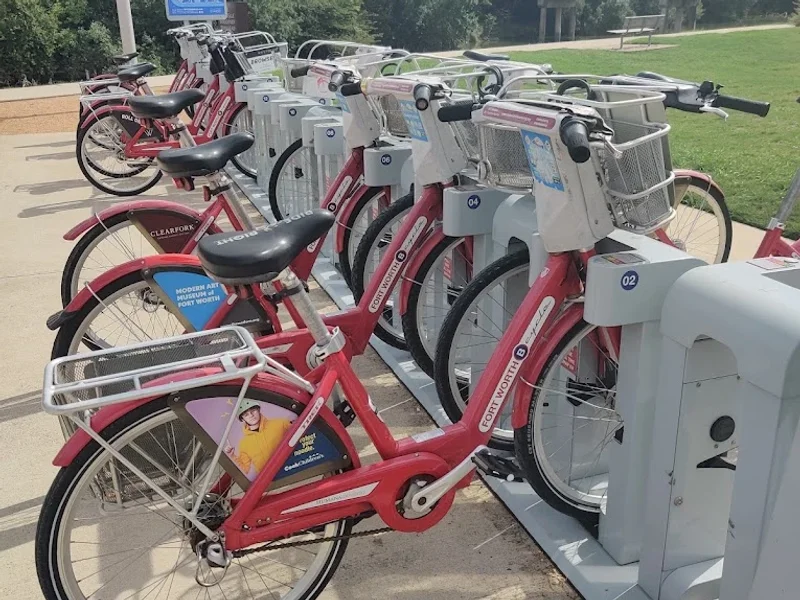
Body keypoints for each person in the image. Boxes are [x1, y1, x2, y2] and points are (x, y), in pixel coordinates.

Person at [224, 400, 292, 476]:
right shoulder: (244, 444)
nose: (251, 415)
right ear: (242, 419)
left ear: (258, 410)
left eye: (253, 411)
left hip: (292, 470)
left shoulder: (281, 423)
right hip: (270, 481)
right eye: (246, 414)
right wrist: (232, 456)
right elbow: (244, 469)